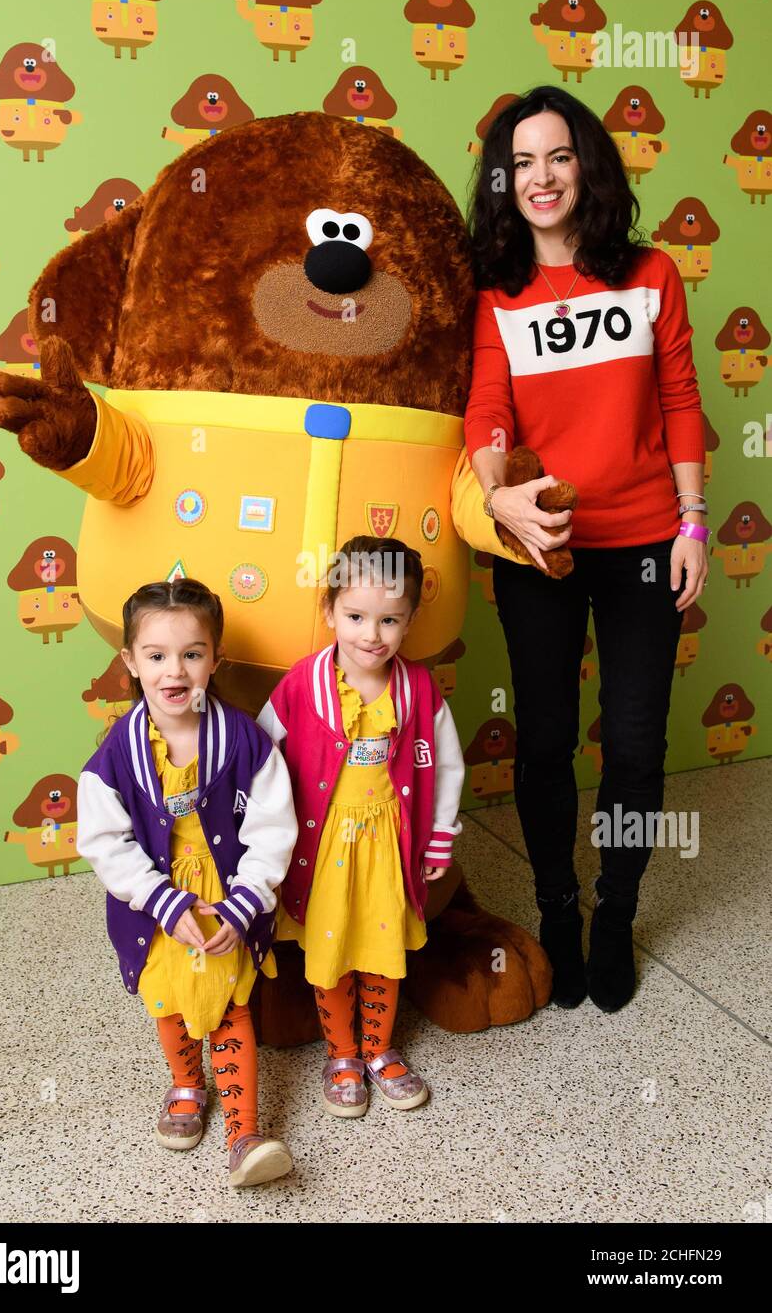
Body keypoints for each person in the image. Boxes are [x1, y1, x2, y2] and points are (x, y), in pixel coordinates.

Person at [465, 84, 709, 1014]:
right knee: (547, 741)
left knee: (637, 746)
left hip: (647, 538)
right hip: (543, 546)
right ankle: (557, 913)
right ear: (502, 180)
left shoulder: (650, 276)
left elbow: (682, 401)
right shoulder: (495, 293)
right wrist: (502, 501)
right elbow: (486, 411)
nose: (540, 176)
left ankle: (616, 913)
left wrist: (691, 525)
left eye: (557, 156)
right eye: (521, 162)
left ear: (587, 164)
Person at [76, 578, 298, 1187]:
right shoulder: (116, 756)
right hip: (154, 904)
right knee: (169, 999)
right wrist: (163, 903)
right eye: (156, 655)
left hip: (224, 899)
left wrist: (244, 905)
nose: (175, 671)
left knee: (228, 1005)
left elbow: (274, 829)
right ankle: (185, 1084)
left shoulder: (246, 742)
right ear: (130, 661)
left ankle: (244, 1131)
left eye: (192, 654)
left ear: (215, 659)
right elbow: (104, 842)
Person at [258, 537, 465, 1116]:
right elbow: (260, 761)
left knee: (381, 947)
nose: (372, 634)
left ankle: (378, 1047)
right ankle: (342, 1051)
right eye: (355, 616)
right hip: (322, 849)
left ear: (410, 620)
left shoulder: (419, 690)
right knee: (329, 948)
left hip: (389, 846)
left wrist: (440, 834)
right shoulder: (302, 687)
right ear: (329, 611)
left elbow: (446, 764)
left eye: (389, 620)